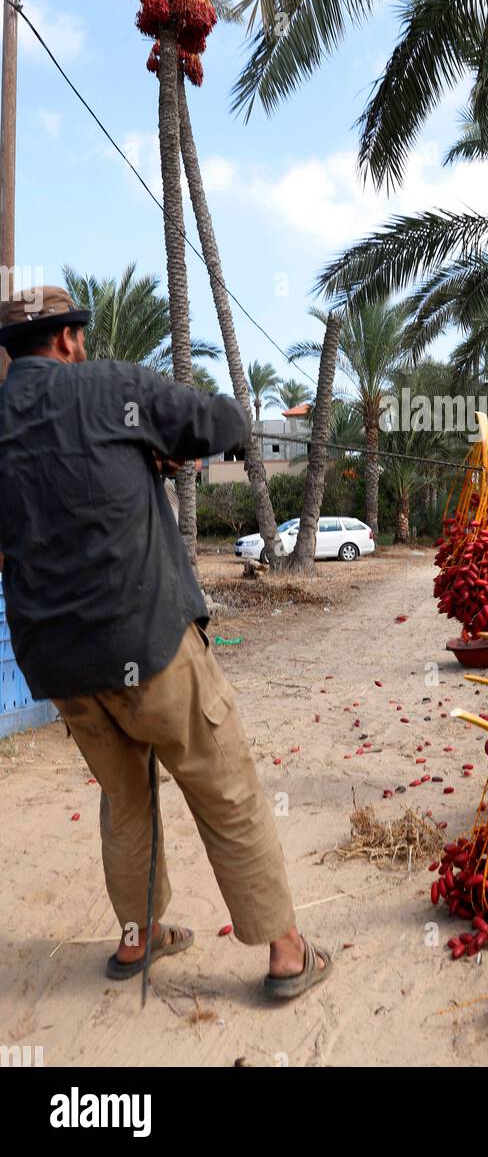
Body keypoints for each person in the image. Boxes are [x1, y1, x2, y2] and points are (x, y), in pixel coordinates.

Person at [0, 288, 331, 1000]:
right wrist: (235, 433)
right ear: (66, 341)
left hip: (59, 663)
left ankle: (138, 937)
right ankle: (285, 952)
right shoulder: (108, 387)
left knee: (124, 800)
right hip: (146, 639)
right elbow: (212, 421)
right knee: (226, 785)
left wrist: (141, 466)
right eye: (77, 338)